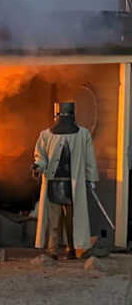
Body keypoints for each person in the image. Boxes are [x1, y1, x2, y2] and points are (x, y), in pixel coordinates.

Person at [32, 102, 98, 260]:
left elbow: (89, 159)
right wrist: (38, 166)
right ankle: (52, 250)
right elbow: (40, 157)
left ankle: (71, 248)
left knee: (71, 220)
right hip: (54, 182)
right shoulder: (46, 135)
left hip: (72, 184)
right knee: (54, 219)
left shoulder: (83, 134)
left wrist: (90, 178)